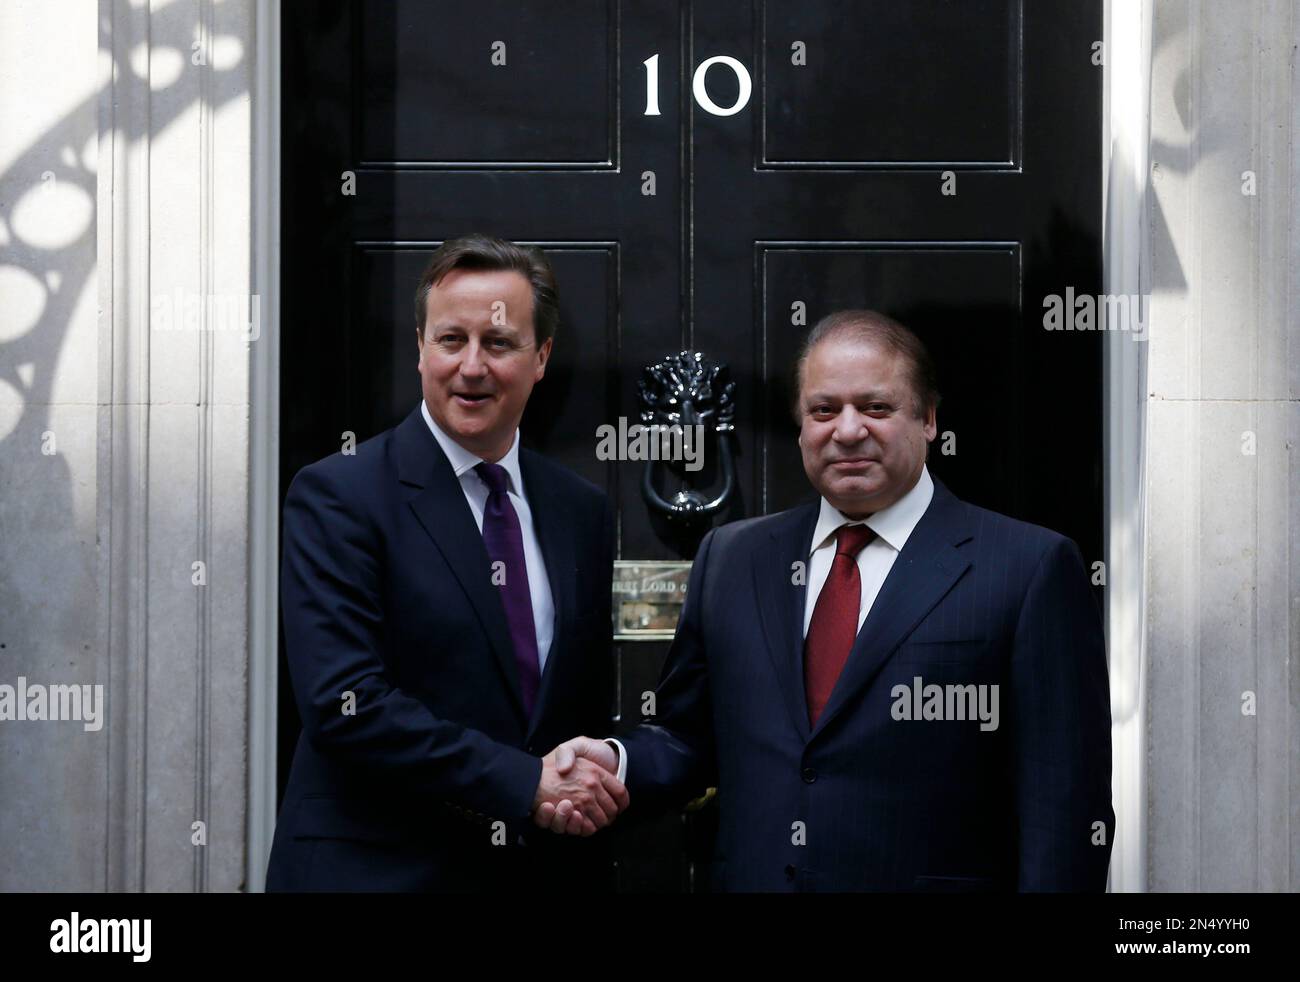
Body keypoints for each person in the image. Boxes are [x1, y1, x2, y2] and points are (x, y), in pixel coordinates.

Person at [542, 310, 1115, 891]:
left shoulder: (1029, 567)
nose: (847, 430)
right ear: (800, 427)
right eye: (823, 409)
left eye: (876, 407)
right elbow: (690, 737)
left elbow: (1064, 808)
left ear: (929, 419)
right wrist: (617, 761)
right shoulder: (734, 559)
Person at [267, 234, 627, 892]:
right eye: (451, 340)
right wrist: (526, 783)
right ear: (420, 348)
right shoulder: (340, 495)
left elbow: (575, 711)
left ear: (541, 356)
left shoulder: (581, 511)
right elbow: (347, 705)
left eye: (498, 344)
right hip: (380, 874)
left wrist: (597, 772)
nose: (471, 366)